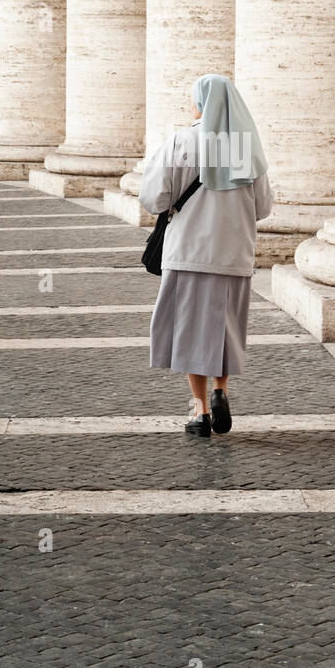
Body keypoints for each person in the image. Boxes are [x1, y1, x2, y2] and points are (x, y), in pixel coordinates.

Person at [139, 73, 273, 437]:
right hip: (234, 255)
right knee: (224, 329)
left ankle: (199, 412)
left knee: (190, 330)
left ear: (200, 103)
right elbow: (263, 207)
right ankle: (220, 390)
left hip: (187, 252)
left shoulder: (180, 142)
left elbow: (154, 199)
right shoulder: (246, 149)